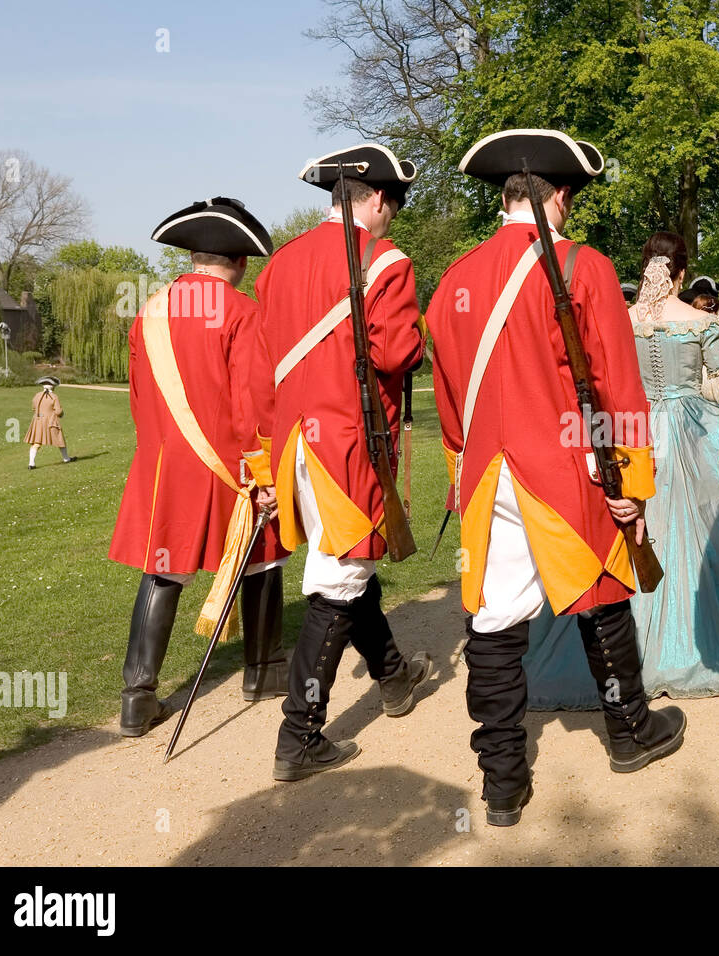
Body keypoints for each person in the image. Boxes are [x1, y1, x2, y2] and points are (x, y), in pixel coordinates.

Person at [424, 128, 686, 827]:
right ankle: (631, 733)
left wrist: (465, 458)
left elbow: (451, 400)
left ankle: (503, 781)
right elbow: (617, 387)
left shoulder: (452, 280)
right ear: (560, 196)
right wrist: (628, 480)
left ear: (508, 197)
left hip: (485, 474)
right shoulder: (586, 266)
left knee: (494, 619)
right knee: (600, 593)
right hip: (567, 467)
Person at [523, 232, 719, 708]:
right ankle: (702, 644)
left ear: (646, 265)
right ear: (682, 274)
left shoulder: (622, 319)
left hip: (634, 431)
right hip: (691, 434)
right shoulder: (702, 321)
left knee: (623, 531)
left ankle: (619, 657)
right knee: (714, 535)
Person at [256, 144, 431, 782]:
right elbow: (394, 355)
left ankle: (392, 678)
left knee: (345, 565)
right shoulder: (387, 261)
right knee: (341, 580)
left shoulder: (278, 265)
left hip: (292, 443)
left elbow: (263, 363)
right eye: (393, 207)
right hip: (348, 441)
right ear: (378, 199)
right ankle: (299, 736)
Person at [108, 198, 289, 737]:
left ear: (193, 256)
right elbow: (254, 404)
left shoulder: (150, 310)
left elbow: (140, 400)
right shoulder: (241, 312)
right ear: (238, 261)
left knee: (165, 568)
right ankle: (262, 671)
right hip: (227, 466)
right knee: (260, 556)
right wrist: (264, 474)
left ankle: (137, 696)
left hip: (164, 462)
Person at [24, 377, 76, 468]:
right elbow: (58, 411)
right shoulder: (54, 396)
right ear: (52, 386)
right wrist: (61, 414)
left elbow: (33, 408)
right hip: (50, 421)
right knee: (60, 439)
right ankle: (66, 459)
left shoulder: (37, 395)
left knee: (36, 442)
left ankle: (31, 463)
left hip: (38, 421)